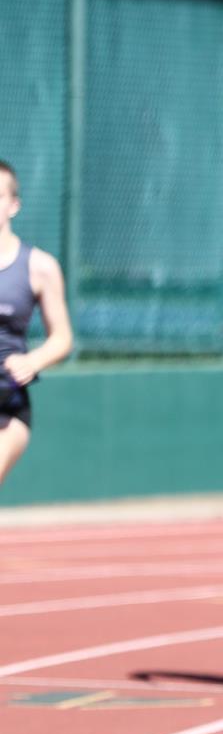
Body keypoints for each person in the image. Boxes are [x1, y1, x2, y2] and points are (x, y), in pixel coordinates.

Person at [0, 161, 75, 493]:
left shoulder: (40, 267)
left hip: (7, 405)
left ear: (13, 204)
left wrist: (32, 362)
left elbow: (62, 338)